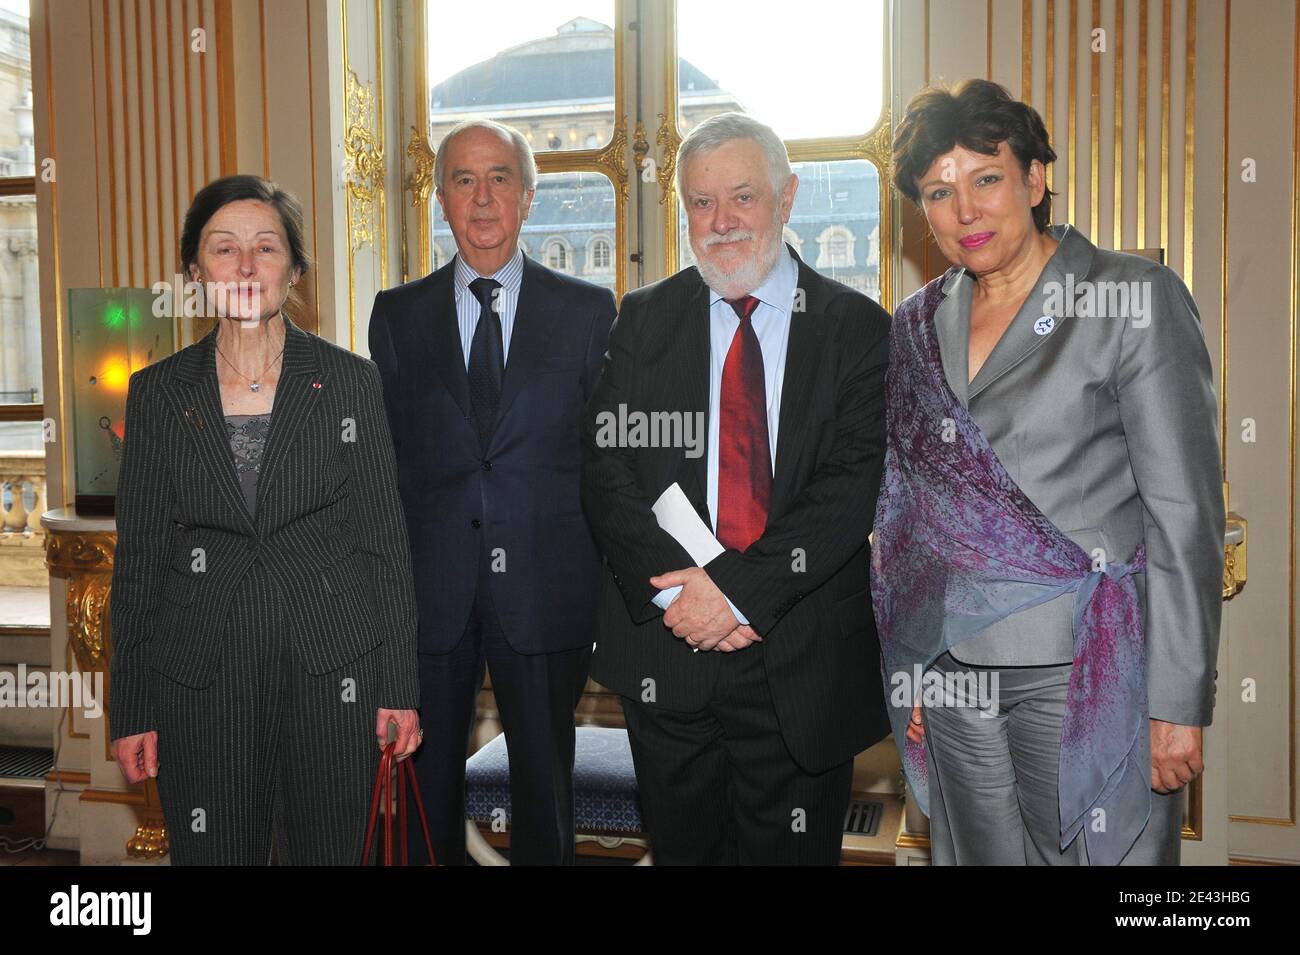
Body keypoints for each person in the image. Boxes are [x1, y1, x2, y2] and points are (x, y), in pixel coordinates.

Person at [873, 79, 1223, 865]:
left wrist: (1178, 701)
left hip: (1090, 670)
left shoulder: (1130, 297)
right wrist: (918, 663)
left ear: (1034, 180)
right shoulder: (917, 324)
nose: (965, 210)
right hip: (958, 678)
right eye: (939, 191)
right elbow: (912, 516)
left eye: (986, 178)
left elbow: (1185, 515)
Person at [581, 112, 892, 865]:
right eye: (700, 202)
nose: (720, 223)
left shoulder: (858, 329)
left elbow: (851, 488)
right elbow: (607, 468)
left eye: (742, 197)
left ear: (786, 199)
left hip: (800, 663)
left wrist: (738, 594)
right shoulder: (645, 318)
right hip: (670, 646)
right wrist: (683, 600)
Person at [108, 175, 421, 865]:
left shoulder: (350, 382)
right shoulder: (157, 394)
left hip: (334, 670)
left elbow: (385, 547)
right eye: (224, 249)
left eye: (266, 248)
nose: (246, 267)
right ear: (195, 272)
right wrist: (130, 706)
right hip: (201, 680)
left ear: (296, 269)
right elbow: (139, 566)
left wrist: (399, 687)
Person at [368, 119, 616, 865]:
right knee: (425, 792)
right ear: (440, 197)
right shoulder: (397, 315)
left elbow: (606, 462)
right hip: (430, 597)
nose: (483, 199)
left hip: (545, 594)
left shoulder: (587, 312)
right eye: (465, 180)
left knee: (545, 793)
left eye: (500, 178)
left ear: (529, 197)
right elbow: (384, 467)